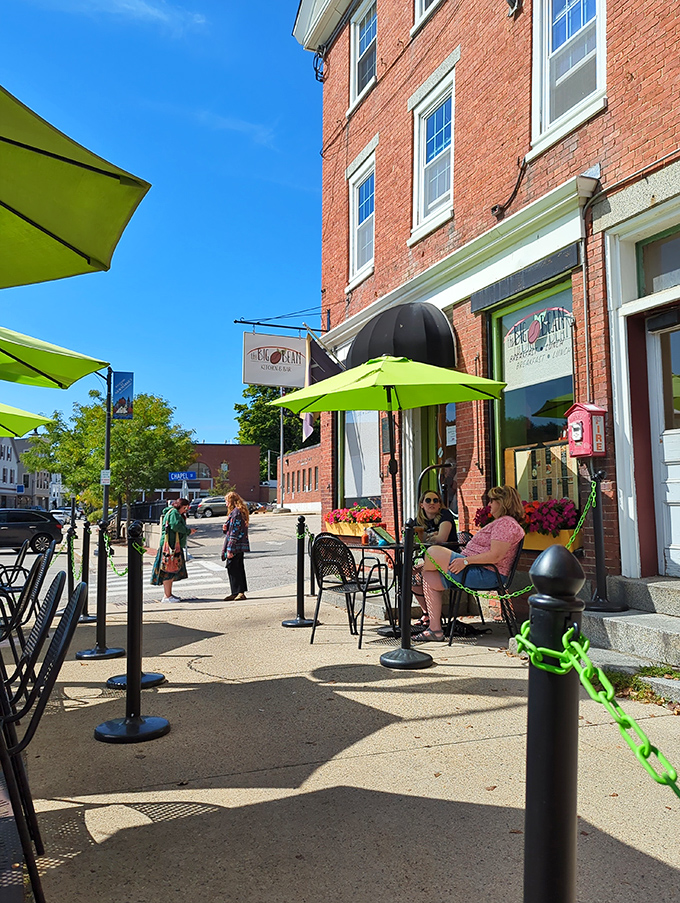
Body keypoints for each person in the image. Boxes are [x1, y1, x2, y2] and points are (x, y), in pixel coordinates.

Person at [413, 485, 525, 642]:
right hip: (474, 570)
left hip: (484, 573)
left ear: (503, 502)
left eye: (492, 500)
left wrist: (465, 561)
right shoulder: (503, 523)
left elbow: (495, 555)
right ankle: (435, 629)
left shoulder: (506, 524)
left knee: (432, 552)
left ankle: (434, 626)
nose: (489, 505)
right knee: (428, 578)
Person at [412, 489, 457, 632]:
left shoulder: (445, 515)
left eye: (435, 500)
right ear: (421, 505)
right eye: (428, 500)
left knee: (421, 573)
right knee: (410, 574)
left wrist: (429, 537)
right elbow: (412, 540)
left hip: (450, 561)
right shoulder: (418, 521)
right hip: (428, 559)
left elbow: (442, 539)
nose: (432, 503)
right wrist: (433, 537)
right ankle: (427, 613)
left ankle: (432, 618)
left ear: (439, 505)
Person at [150, 498, 193, 603]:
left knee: (170, 570)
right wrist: (188, 531)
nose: (185, 510)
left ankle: (169, 594)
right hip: (170, 546)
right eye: (185, 508)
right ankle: (167, 596)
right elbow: (175, 526)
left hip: (171, 545)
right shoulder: (174, 513)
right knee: (168, 570)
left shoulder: (173, 512)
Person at [221, 491, 250, 601]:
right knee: (236, 568)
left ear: (232, 501)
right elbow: (232, 530)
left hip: (235, 546)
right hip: (238, 545)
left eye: (227, 501)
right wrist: (225, 528)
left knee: (234, 568)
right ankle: (236, 592)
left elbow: (234, 532)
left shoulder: (236, 513)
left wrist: (230, 549)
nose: (226, 504)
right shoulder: (237, 512)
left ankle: (239, 592)